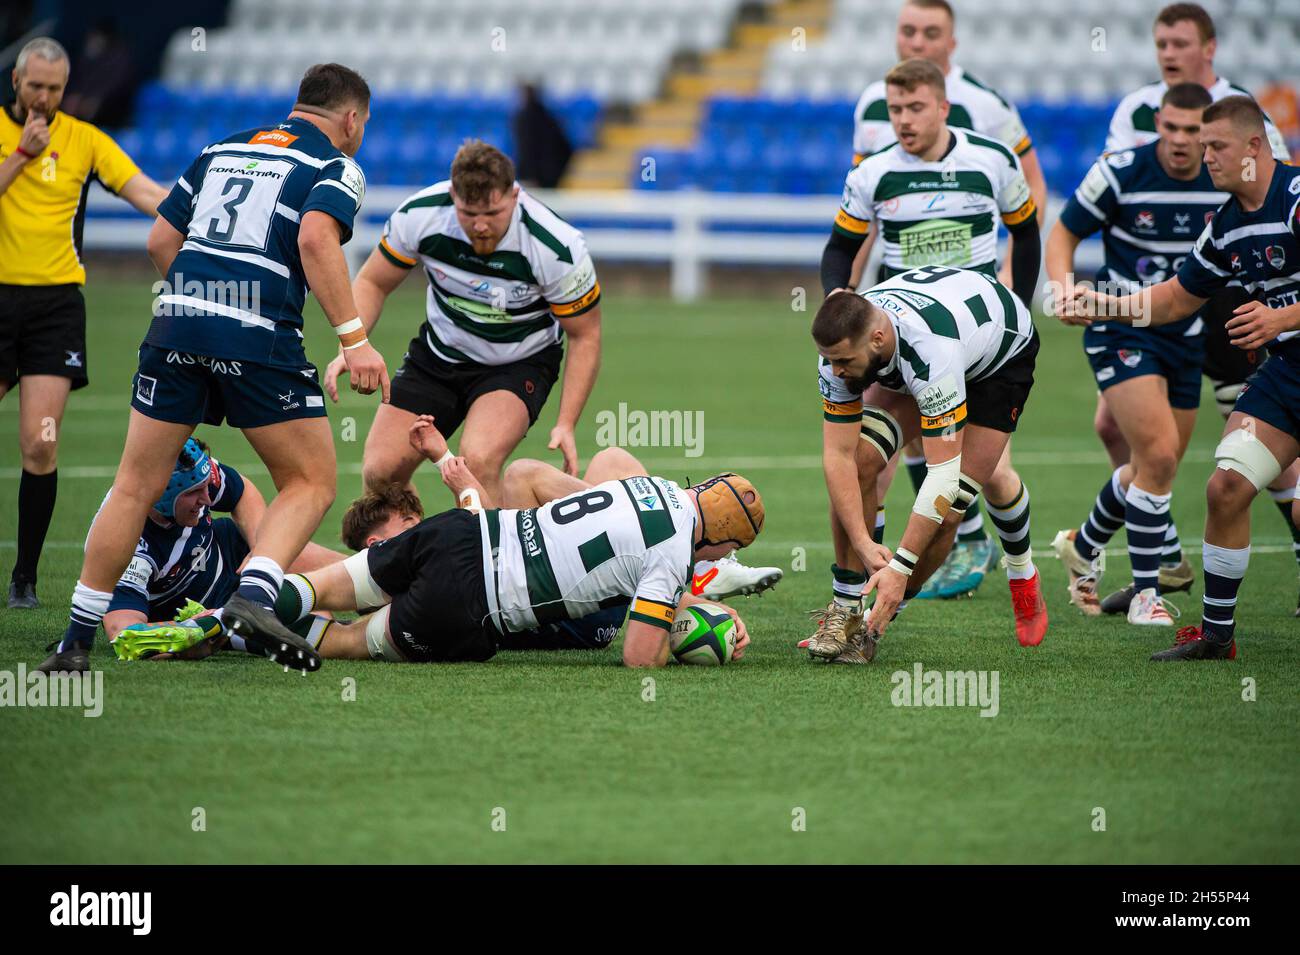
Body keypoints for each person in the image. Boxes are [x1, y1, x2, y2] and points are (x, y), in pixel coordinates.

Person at [37, 63, 387, 674]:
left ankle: (74, 642)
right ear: (352, 120)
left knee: (133, 485)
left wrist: (194, 304)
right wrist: (355, 340)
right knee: (311, 481)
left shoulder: (221, 146)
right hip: (258, 334)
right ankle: (254, 597)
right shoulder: (336, 164)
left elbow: (158, 241)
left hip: (174, 324)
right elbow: (315, 240)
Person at [1060, 97, 1300, 660]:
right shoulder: (1226, 224)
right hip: (1287, 371)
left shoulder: (1295, 197)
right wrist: (1104, 304)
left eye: (1216, 145)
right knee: (1227, 486)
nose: (1204, 155)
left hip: (1284, 346)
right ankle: (1217, 638)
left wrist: (1282, 317)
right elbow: (1172, 300)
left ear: (1254, 147)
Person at [820, 57, 1040, 611]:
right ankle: (853, 601)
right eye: (895, 110)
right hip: (897, 337)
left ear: (943, 106)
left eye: (915, 107)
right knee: (869, 462)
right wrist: (838, 297)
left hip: (976, 339)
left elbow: (1027, 233)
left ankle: (1016, 568)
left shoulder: (991, 159)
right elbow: (840, 248)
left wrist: (1021, 301)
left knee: (968, 488)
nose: (903, 120)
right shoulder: (872, 172)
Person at [1097, 2, 1300, 570]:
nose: (1168, 55)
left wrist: (1278, 308)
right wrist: (1105, 299)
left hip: (1240, 294)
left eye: (1179, 44)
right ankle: (1162, 551)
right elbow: (1121, 188)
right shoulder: (1136, 109)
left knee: (1258, 425)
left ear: (1208, 48)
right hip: (1179, 280)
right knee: (1114, 422)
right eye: (1161, 44)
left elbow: (1273, 197)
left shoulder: (1244, 113)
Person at [260, 467, 765, 668]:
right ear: (721, 545)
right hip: (470, 604)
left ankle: (230, 612)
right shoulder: (675, 552)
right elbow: (638, 657)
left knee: (316, 587)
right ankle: (245, 637)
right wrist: (677, 643)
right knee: (345, 639)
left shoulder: (652, 484)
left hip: (460, 532)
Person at [0, 37, 169, 610]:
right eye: (35, 86)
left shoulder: (85, 140)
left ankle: (24, 576)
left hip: (55, 308)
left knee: (39, 445)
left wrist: (199, 212)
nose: (44, 98)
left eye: (54, 89)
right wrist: (21, 155)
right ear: (16, 81)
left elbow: (144, 191)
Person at [807, 266, 1048, 664]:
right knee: (864, 462)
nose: (836, 371)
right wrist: (865, 546)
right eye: (830, 361)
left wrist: (899, 568)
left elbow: (941, 477)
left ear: (876, 339)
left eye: (844, 362)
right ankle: (846, 610)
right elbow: (838, 457)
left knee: (951, 512)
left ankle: (1021, 574)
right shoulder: (840, 352)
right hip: (929, 351)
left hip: (1000, 359)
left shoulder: (929, 354)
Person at [1045, 83, 1221, 623]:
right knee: (1161, 457)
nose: (1181, 140)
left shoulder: (1225, 182)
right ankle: (1147, 597)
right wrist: (1062, 289)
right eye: (1171, 127)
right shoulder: (1121, 171)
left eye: (1193, 130)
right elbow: (1062, 234)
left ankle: (1083, 546)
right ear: (1158, 125)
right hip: (1121, 326)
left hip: (1187, 333)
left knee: (1152, 467)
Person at [101, 440, 344, 661]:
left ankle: (377, 581)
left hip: (230, 550)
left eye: (207, 487)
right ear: (159, 493)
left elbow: (242, 493)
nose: (207, 499)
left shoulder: (191, 469)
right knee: (327, 627)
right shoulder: (126, 543)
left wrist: (260, 550)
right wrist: (192, 630)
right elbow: (124, 633)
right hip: (211, 609)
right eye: (194, 493)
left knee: (288, 549)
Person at [511, 84, 573, 189]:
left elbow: (527, 148)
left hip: (536, 177)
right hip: (549, 175)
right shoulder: (548, 116)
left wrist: (530, 174)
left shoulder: (526, 118)